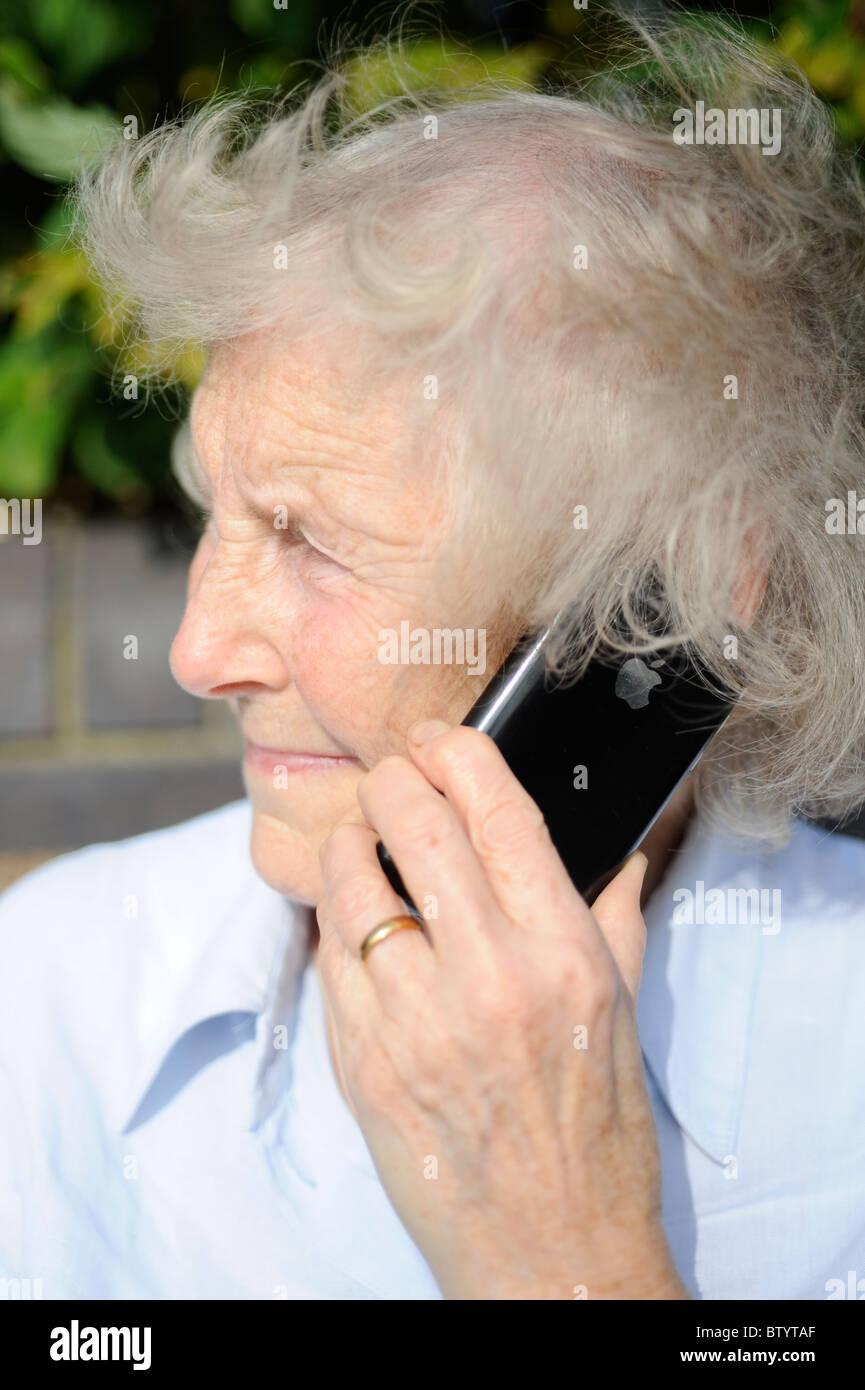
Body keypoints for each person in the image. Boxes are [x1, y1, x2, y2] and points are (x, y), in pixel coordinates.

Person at [2, 12, 865, 1300]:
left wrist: (564, 1254)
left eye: (311, 544)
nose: (197, 651)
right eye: (215, 517)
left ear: (670, 607)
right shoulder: (56, 987)